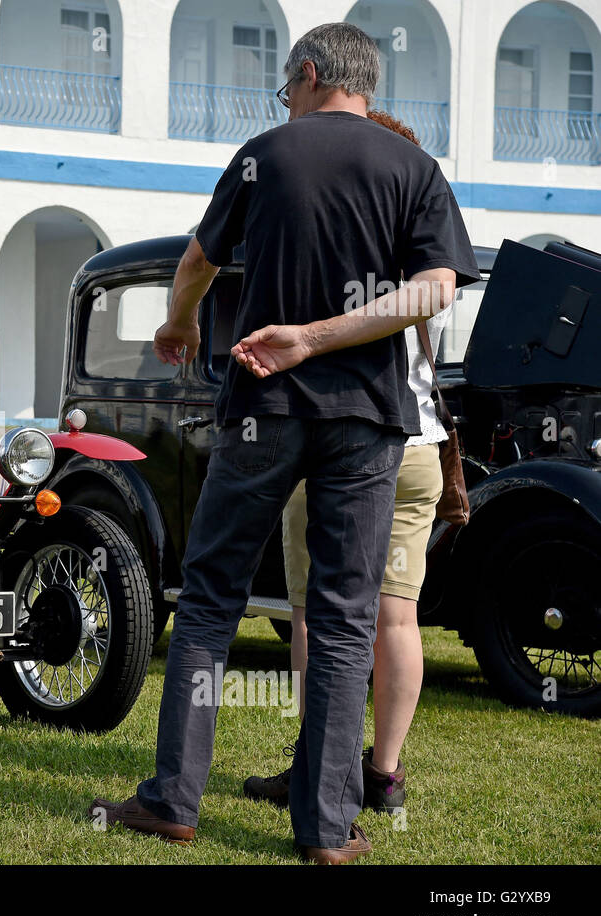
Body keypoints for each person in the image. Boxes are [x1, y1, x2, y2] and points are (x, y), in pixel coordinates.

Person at [89, 23, 480, 864]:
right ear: (365, 85)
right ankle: (328, 830)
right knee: (345, 620)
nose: (288, 102)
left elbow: (197, 260)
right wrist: (329, 335)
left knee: (207, 604)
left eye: (287, 87)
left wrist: (179, 321)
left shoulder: (264, 154)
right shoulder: (415, 169)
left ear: (307, 75)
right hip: (369, 421)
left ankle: (172, 799)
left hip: (263, 411)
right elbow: (435, 289)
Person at [243, 111, 452, 815]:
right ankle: (384, 777)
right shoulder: (428, 251)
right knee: (397, 618)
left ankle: (318, 771)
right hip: (420, 445)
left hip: (345, 439)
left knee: (314, 614)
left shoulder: (343, 246)